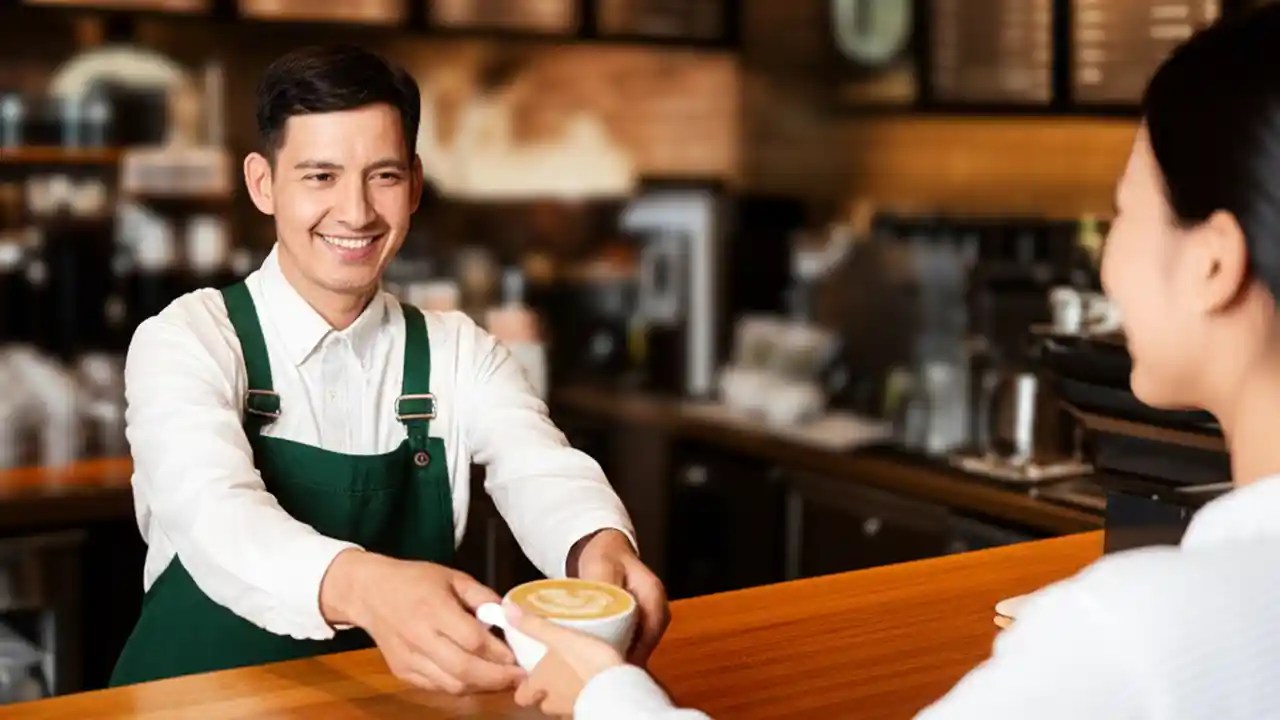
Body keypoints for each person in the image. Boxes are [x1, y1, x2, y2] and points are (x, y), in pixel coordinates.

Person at [502, 6, 1280, 718]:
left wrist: (606, 695)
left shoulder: (1137, 632)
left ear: (1213, 263)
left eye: (1122, 213)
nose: (1107, 264)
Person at [109, 45, 667, 691]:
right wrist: (368, 589)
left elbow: (541, 467)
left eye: (384, 177)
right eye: (320, 176)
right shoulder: (188, 339)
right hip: (193, 705)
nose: (356, 212)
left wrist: (596, 543)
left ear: (416, 184)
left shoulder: (460, 352)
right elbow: (214, 513)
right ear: (263, 184)